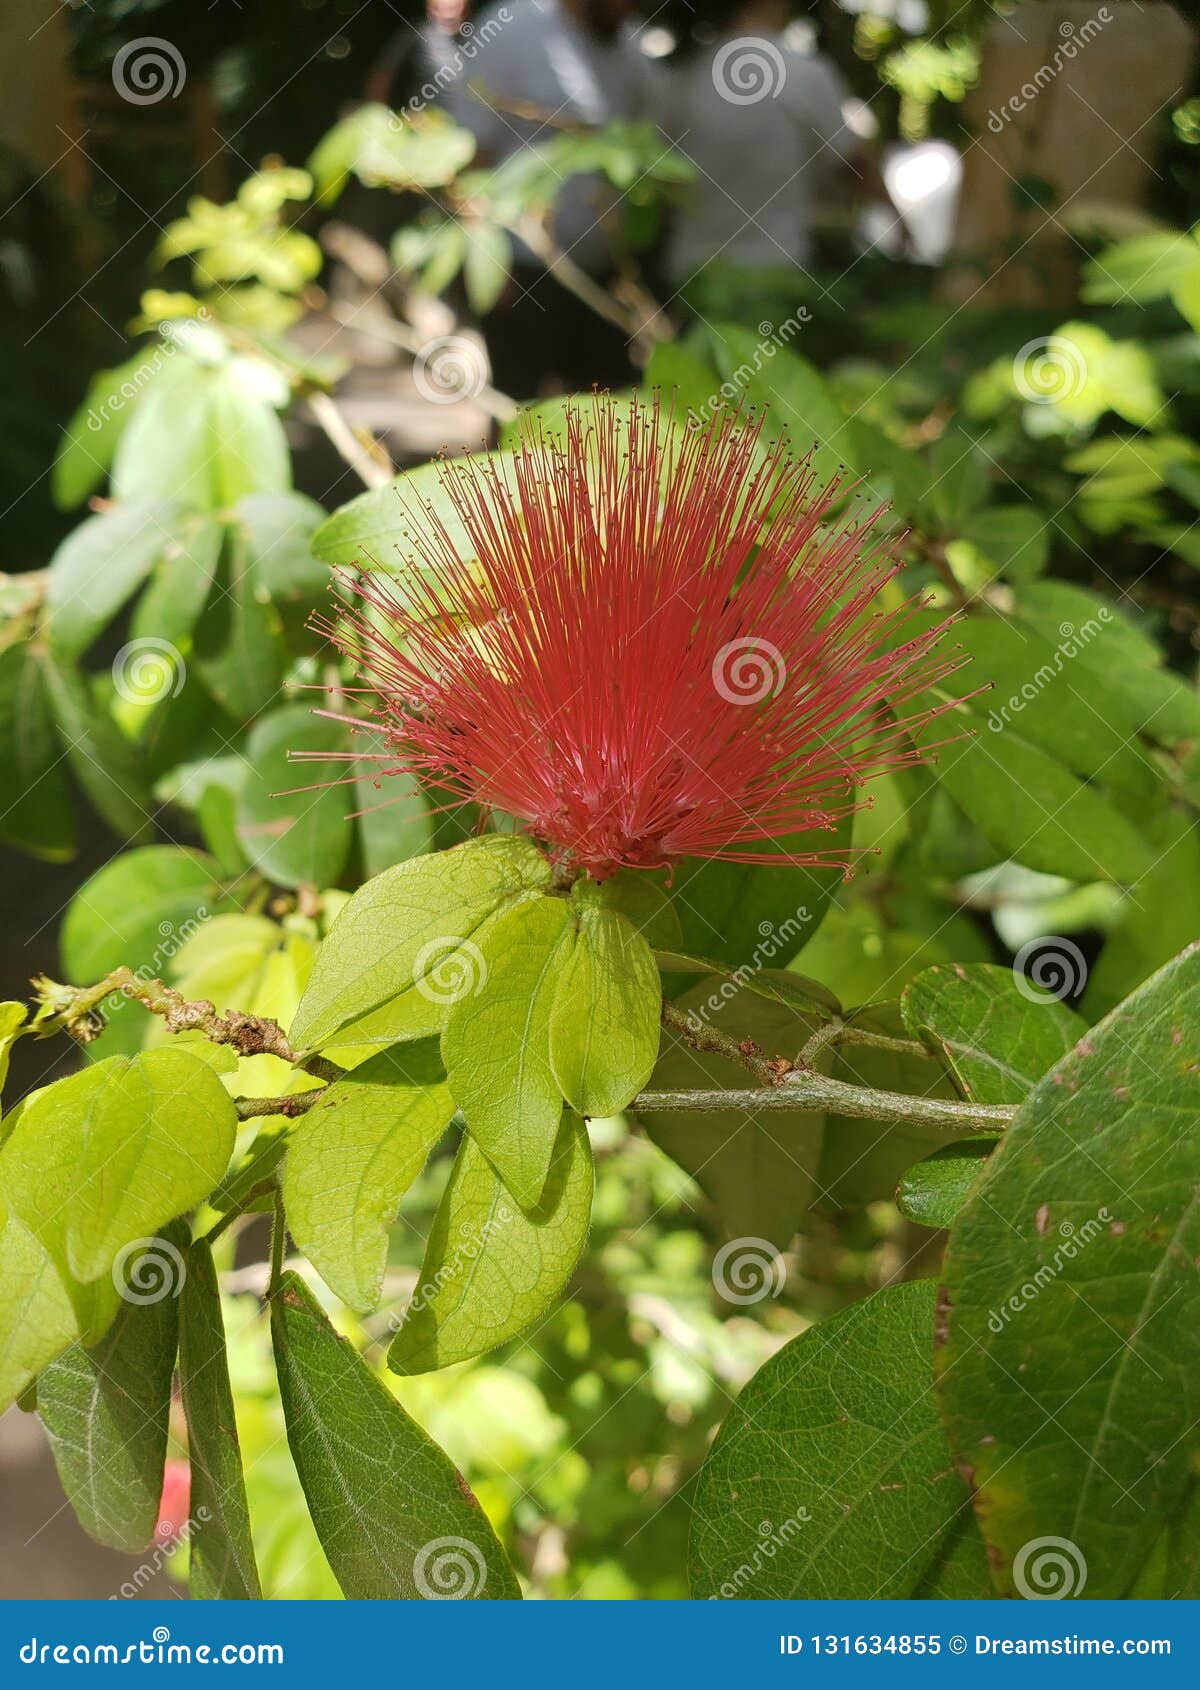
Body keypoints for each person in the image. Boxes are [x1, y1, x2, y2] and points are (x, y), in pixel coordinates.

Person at [425, 0, 664, 395]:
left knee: (605, 420)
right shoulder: (512, 27)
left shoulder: (630, 44)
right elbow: (470, 156)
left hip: (601, 273)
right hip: (522, 269)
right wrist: (486, 261)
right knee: (522, 413)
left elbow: (645, 143)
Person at [661, 0, 907, 322]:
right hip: (774, 277)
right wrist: (898, 220)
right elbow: (852, 164)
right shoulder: (806, 74)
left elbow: (659, 175)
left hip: (692, 277)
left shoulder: (684, 78)